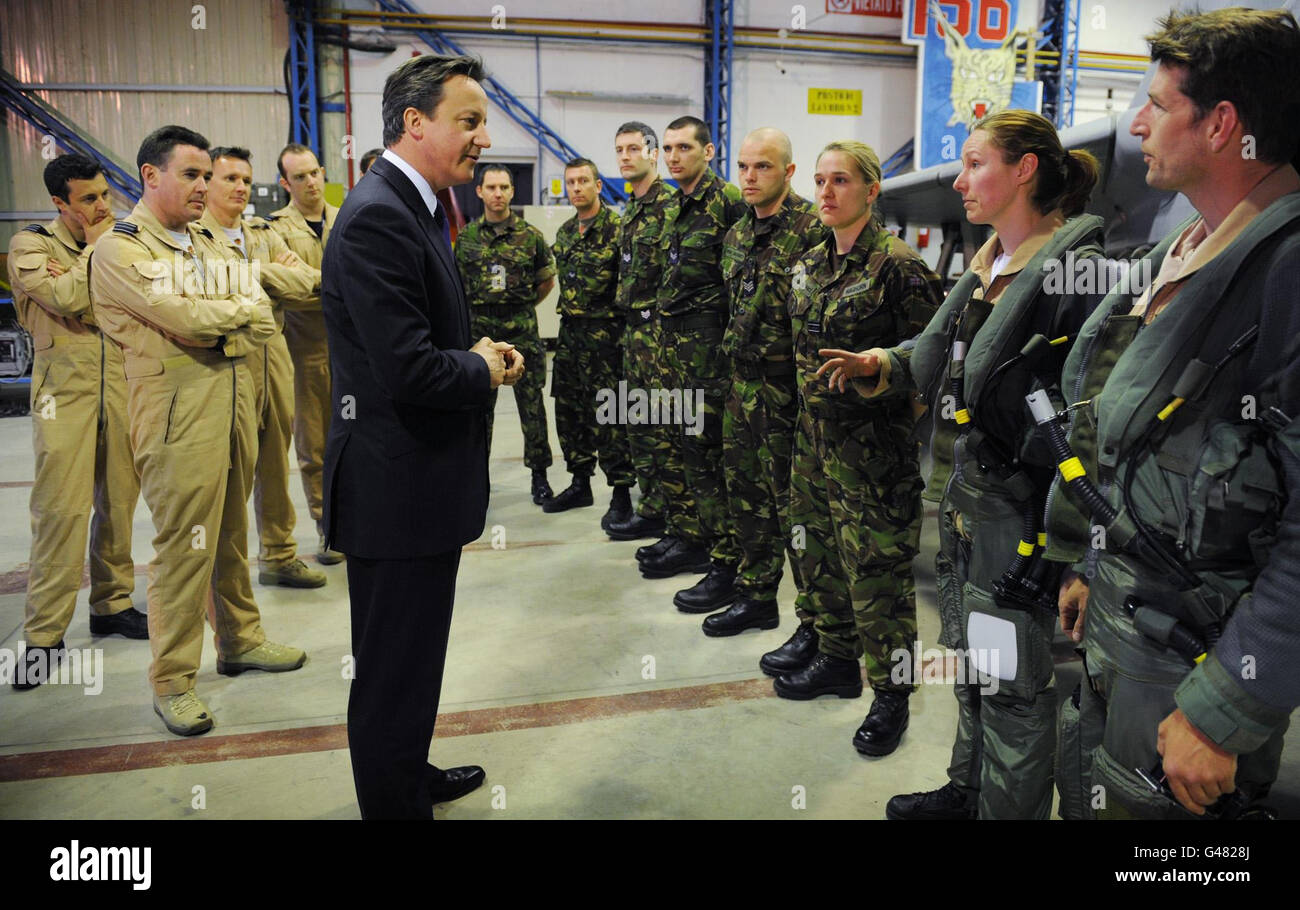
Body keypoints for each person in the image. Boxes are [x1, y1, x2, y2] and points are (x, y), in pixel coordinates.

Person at [1040, 7, 1300, 819]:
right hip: (1129, 635)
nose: (1137, 125)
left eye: (1157, 105)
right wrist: (1090, 561)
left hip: (1200, 666)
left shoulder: (1284, 276)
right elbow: (1124, 444)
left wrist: (1227, 712)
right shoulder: (1179, 254)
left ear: (1223, 124)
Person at [822, 111, 1105, 817]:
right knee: (973, 666)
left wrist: (1080, 557)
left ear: (1026, 170)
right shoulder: (991, 268)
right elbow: (933, 354)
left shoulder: (1076, 276)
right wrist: (879, 363)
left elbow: (1092, 427)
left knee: (1011, 683)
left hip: (1020, 521)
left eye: (976, 163)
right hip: (966, 511)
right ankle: (968, 789)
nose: (959, 180)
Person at [322, 53, 521, 819]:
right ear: (415, 123)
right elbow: (410, 372)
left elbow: (421, 338)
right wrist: (483, 370)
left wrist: (477, 353)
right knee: (392, 669)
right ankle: (392, 804)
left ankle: (406, 771)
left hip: (413, 484)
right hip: (393, 488)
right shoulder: (379, 215)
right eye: (468, 121)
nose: (483, 138)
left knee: (411, 660)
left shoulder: (417, 205)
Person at [90, 125, 306, 736]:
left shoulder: (207, 243)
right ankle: (173, 680)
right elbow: (183, 318)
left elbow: (257, 314)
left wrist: (221, 317)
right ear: (150, 175)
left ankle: (239, 640)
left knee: (232, 534)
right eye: (192, 175)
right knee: (185, 550)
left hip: (235, 404)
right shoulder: (123, 249)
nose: (204, 187)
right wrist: (221, 315)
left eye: (207, 176)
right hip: (178, 420)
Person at [776, 140, 942, 759]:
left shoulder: (898, 266)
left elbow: (931, 362)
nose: (825, 191)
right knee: (816, 556)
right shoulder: (810, 260)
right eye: (819, 180)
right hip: (813, 445)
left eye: (840, 180)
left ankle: (893, 696)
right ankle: (838, 659)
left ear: (872, 191)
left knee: (880, 580)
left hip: (873, 456)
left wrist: (892, 419)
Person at [7, 154, 145, 690]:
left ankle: (112, 604)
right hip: (61, 395)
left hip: (120, 386)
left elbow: (127, 302)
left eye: (105, 195)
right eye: (88, 199)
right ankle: (43, 637)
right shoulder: (30, 246)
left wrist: (85, 283)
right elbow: (64, 297)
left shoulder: (113, 240)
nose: (103, 206)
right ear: (60, 202)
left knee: (119, 501)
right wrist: (95, 257)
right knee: (61, 512)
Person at [699, 128, 826, 641]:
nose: (749, 178)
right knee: (745, 499)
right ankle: (756, 597)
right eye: (744, 167)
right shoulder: (737, 235)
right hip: (742, 390)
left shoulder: (814, 231)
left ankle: (816, 624)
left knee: (798, 512)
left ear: (789, 172)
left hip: (789, 395)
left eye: (763, 167)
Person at [201, 146, 326, 589]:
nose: (239, 187)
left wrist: (256, 273)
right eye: (229, 178)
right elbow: (216, 286)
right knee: (234, 470)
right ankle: (226, 577)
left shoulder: (259, 231)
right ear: (207, 182)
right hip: (227, 361)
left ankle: (278, 555)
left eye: (246, 181)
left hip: (276, 354)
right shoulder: (198, 237)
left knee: (276, 460)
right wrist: (269, 274)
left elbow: (308, 282)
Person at [639, 116, 745, 607]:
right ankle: (691, 536)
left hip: (709, 360)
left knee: (708, 460)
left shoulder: (728, 203)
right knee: (679, 451)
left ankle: (725, 563)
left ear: (709, 150)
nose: (674, 156)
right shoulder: (673, 205)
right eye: (668, 148)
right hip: (671, 353)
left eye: (684, 147)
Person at [454, 163, 557, 505]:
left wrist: (520, 306)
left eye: (504, 187)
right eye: (491, 187)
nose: (498, 194)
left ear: (513, 192)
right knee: (479, 410)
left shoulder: (531, 236)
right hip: (479, 336)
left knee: (532, 408)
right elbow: (457, 285)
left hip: (522, 333)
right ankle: (475, 479)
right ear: (479, 191)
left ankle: (539, 476)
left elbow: (546, 281)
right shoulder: (467, 238)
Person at [545, 157, 635, 520]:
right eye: (571, 182)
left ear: (599, 186)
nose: (577, 188)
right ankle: (580, 482)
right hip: (570, 337)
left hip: (606, 340)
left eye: (584, 181)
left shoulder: (619, 228)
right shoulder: (566, 232)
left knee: (610, 415)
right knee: (569, 413)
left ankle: (621, 493)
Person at [268, 144, 342, 565]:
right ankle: (327, 528)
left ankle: (358, 520)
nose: (311, 182)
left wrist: (311, 280)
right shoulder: (274, 229)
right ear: (285, 183)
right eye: (300, 177)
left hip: (350, 349)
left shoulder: (346, 216)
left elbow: (364, 276)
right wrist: (336, 284)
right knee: (314, 447)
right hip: (304, 351)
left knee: (357, 440)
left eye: (315, 173)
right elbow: (287, 289)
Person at [606, 121, 675, 542]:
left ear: (653, 153)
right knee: (641, 427)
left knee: (670, 430)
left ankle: (677, 518)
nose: (626, 156)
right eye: (619, 150)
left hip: (664, 337)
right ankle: (652, 509)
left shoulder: (671, 204)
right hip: (634, 338)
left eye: (634, 148)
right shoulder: (630, 208)